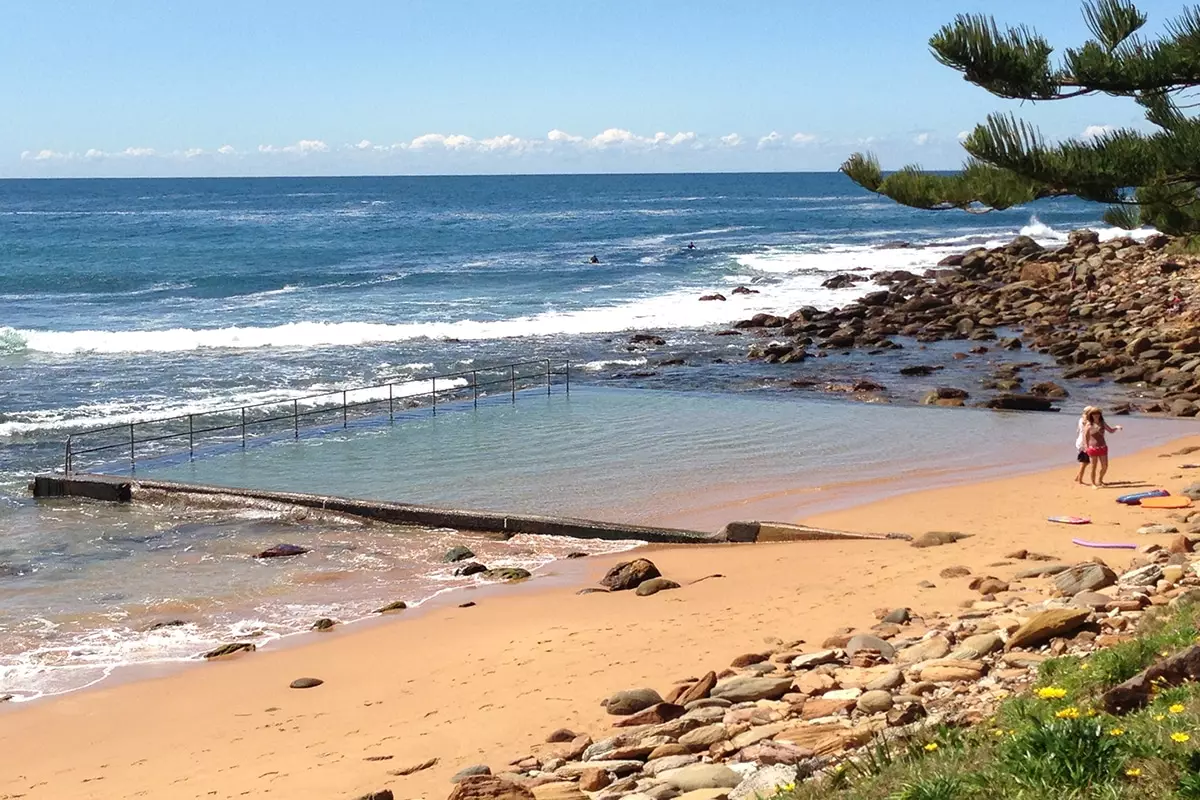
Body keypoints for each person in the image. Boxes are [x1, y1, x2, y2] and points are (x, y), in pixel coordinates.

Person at [1083, 407, 1123, 487]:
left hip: (1102, 447)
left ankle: (1100, 480)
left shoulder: (1102, 423)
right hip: (1092, 448)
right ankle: (1093, 484)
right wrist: (1086, 447)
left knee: (1105, 466)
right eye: (1094, 414)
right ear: (1091, 415)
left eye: (1097, 413)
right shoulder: (1088, 425)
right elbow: (1085, 437)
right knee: (1093, 467)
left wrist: (1116, 427)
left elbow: (1110, 431)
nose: (1096, 415)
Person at [1074, 405, 1096, 484]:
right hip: (1084, 443)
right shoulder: (1088, 421)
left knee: (1085, 461)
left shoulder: (1081, 419)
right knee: (1085, 462)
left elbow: (1078, 430)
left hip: (1080, 442)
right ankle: (1080, 480)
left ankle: (1078, 477)